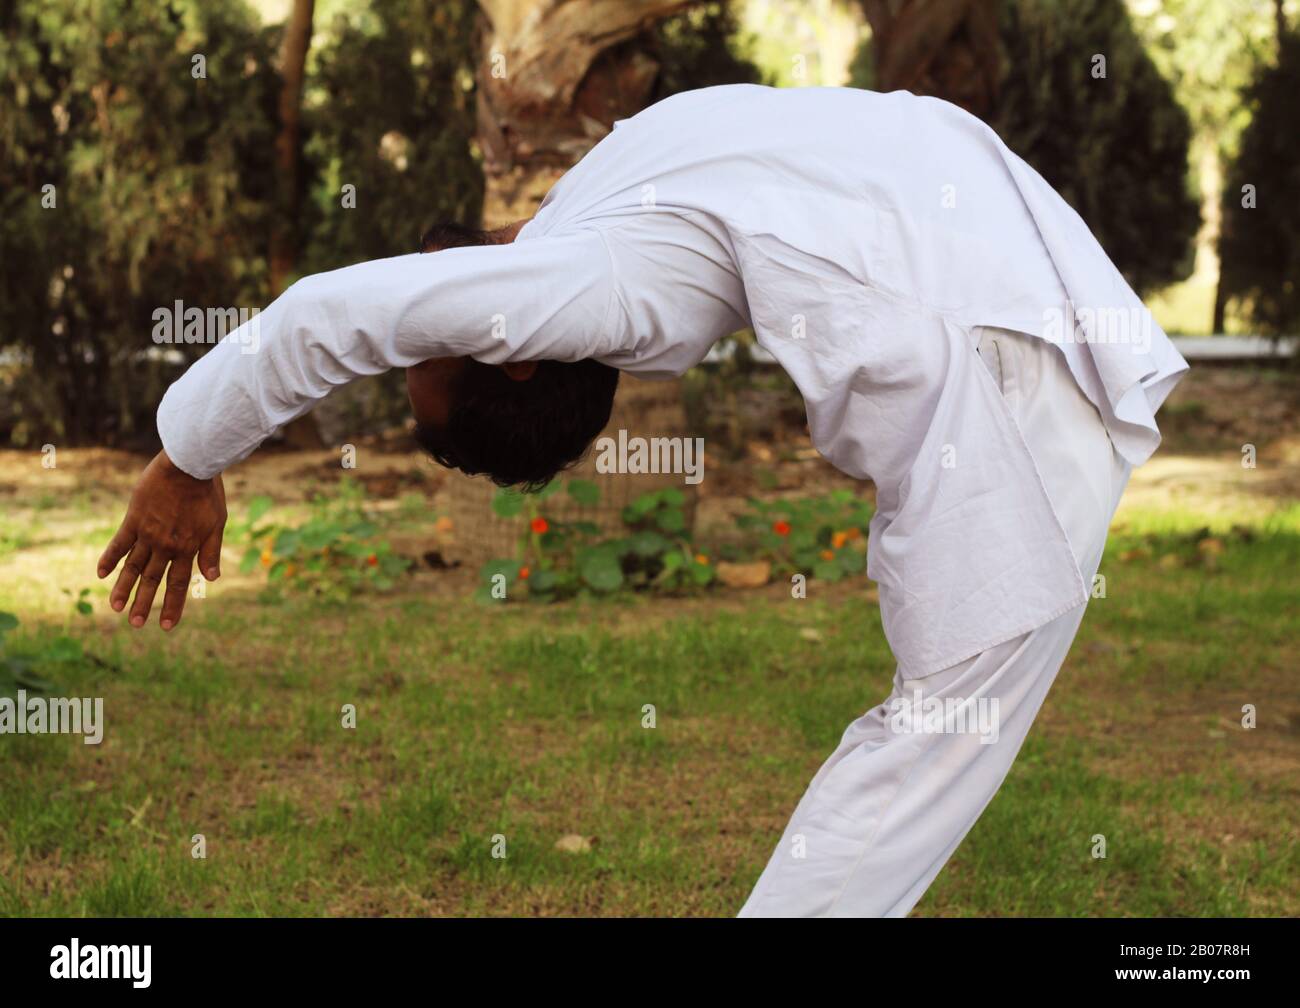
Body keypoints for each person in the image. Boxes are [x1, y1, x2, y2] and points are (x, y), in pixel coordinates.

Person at [97, 84, 1187, 916]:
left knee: (933, 739)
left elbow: (325, 313)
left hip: (1005, 338)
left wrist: (185, 457)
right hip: (1002, 322)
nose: (423, 333)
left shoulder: (593, 245)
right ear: (511, 353)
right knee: (936, 732)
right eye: (429, 360)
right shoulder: (603, 265)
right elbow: (350, 317)